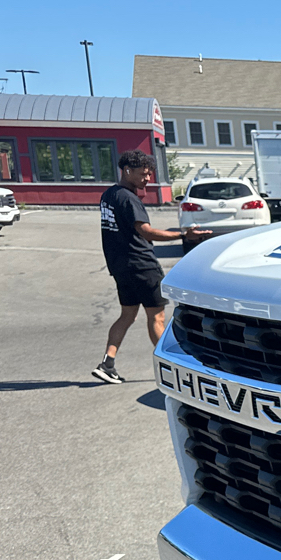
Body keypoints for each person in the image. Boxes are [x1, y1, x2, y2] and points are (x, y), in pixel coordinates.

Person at [91, 150, 208, 384]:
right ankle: (176, 370)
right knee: (157, 318)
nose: (147, 179)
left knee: (127, 315)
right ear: (127, 171)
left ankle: (107, 363)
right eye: (143, 174)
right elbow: (145, 232)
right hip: (141, 265)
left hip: (120, 266)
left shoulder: (108, 195)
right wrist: (183, 234)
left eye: (149, 174)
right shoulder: (128, 198)